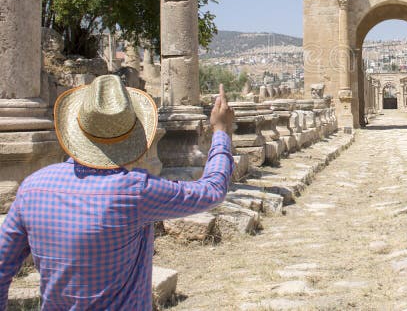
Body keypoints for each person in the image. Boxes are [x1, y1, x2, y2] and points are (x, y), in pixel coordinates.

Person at [0, 75, 235, 310]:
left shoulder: (33, 188)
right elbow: (212, 190)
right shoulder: (134, 192)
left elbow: (3, 265)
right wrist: (221, 132)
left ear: (76, 127)